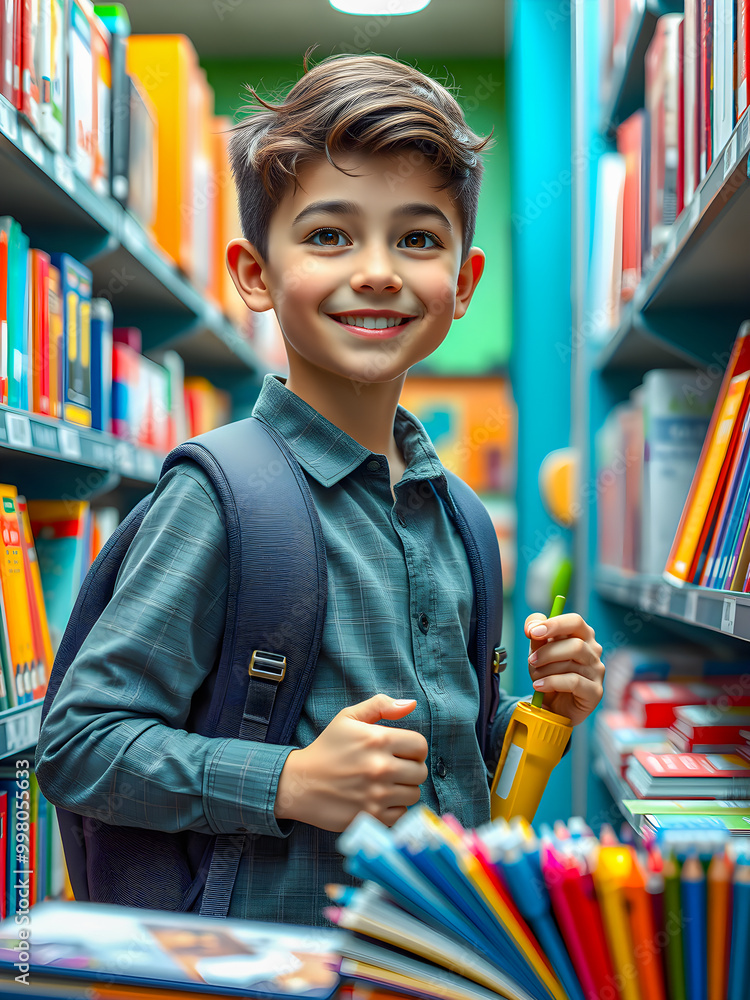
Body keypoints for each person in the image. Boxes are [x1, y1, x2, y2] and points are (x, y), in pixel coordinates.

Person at [36, 53, 604, 925]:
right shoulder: (223, 500)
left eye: (417, 238)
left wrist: (542, 723)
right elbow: (78, 746)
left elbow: (455, 785)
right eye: (330, 235)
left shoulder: (463, 524)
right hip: (275, 973)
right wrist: (290, 781)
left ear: (462, 284)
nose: (377, 270)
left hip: (440, 963)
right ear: (255, 273)